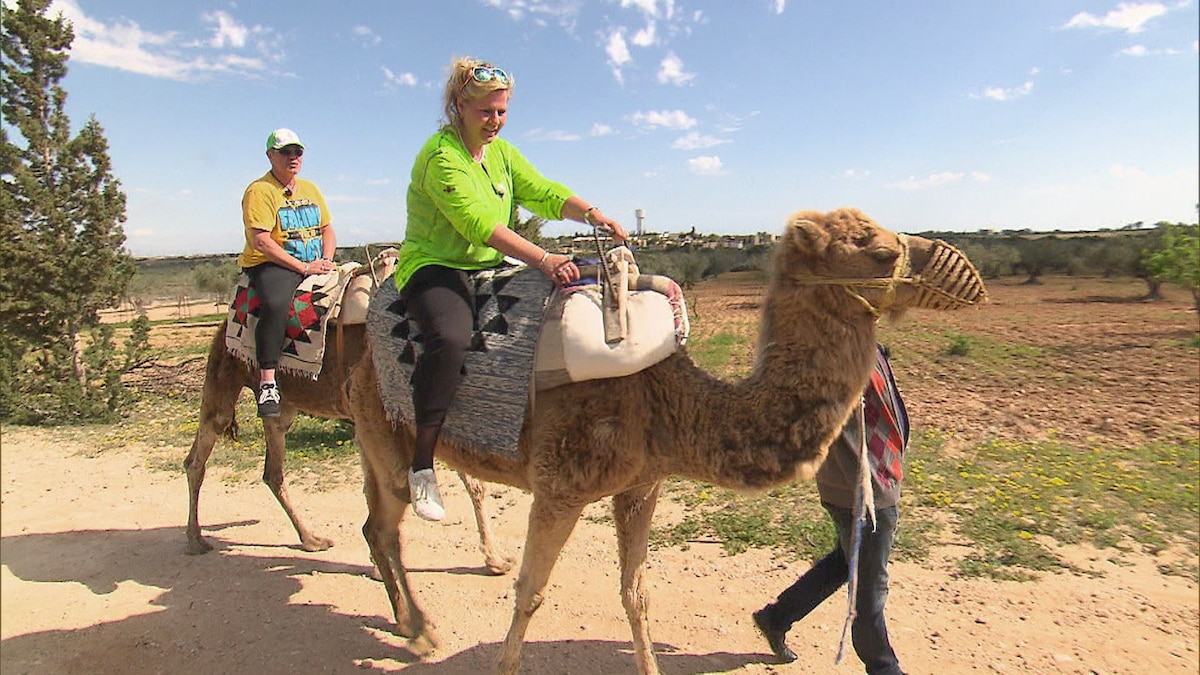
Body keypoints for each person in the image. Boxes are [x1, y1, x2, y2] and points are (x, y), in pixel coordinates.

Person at [395, 56, 629, 521]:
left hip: (488, 264)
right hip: (436, 266)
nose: (496, 121)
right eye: (486, 112)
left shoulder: (500, 153)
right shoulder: (440, 158)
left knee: (575, 291)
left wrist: (592, 213)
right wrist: (542, 258)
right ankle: (421, 463)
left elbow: (540, 190)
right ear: (460, 105)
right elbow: (478, 223)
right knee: (450, 338)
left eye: (502, 111)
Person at [753, 344, 909, 675]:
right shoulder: (834, 353)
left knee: (846, 560)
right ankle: (884, 667)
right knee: (869, 592)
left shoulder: (855, 339)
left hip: (859, 481)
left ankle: (777, 617)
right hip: (865, 490)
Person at [237, 128, 337, 418]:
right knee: (278, 303)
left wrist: (327, 259)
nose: (293, 157)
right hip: (273, 263)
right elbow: (261, 241)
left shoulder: (310, 189)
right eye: (285, 152)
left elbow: (327, 228)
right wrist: (304, 267)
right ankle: (268, 381)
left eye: (297, 152)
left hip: (316, 261)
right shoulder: (260, 191)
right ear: (270, 155)